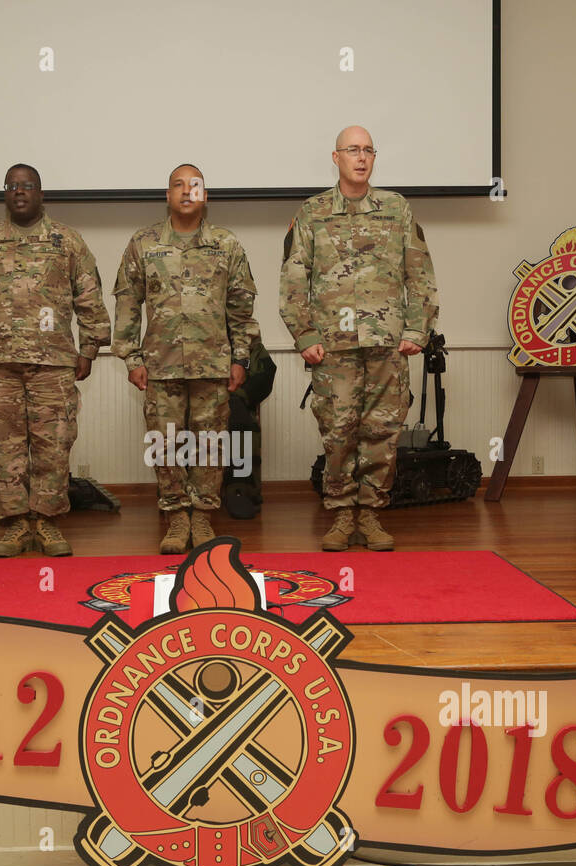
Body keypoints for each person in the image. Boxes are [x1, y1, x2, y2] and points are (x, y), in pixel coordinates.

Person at [279, 126, 439, 551]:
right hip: (333, 346)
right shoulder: (312, 212)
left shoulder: (396, 208)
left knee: (382, 432)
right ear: (336, 158)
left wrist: (416, 329)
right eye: (353, 150)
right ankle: (341, 513)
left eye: (368, 150)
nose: (362, 157)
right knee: (337, 431)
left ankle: (370, 515)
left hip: (387, 343)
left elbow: (419, 274)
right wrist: (305, 334)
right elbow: (294, 279)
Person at [0, 163, 111, 557]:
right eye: (12, 186)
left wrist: (89, 349)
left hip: (53, 363)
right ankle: (16, 526)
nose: (19, 192)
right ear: (4, 193)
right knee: (5, 446)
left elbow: (89, 297)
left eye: (27, 186)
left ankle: (48, 523)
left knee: (53, 444)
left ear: (41, 194)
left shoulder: (67, 241)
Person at [113, 163, 261, 553]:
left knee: (210, 443)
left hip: (213, 365)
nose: (186, 191)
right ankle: (176, 516)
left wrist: (240, 359)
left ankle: (202, 517)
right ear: (167, 195)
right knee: (165, 443)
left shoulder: (226, 244)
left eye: (194, 185)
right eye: (177, 185)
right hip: (160, 366)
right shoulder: (143, 243)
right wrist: (131, 358)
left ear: (205, 195)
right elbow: (128, 302)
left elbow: (241, 309)